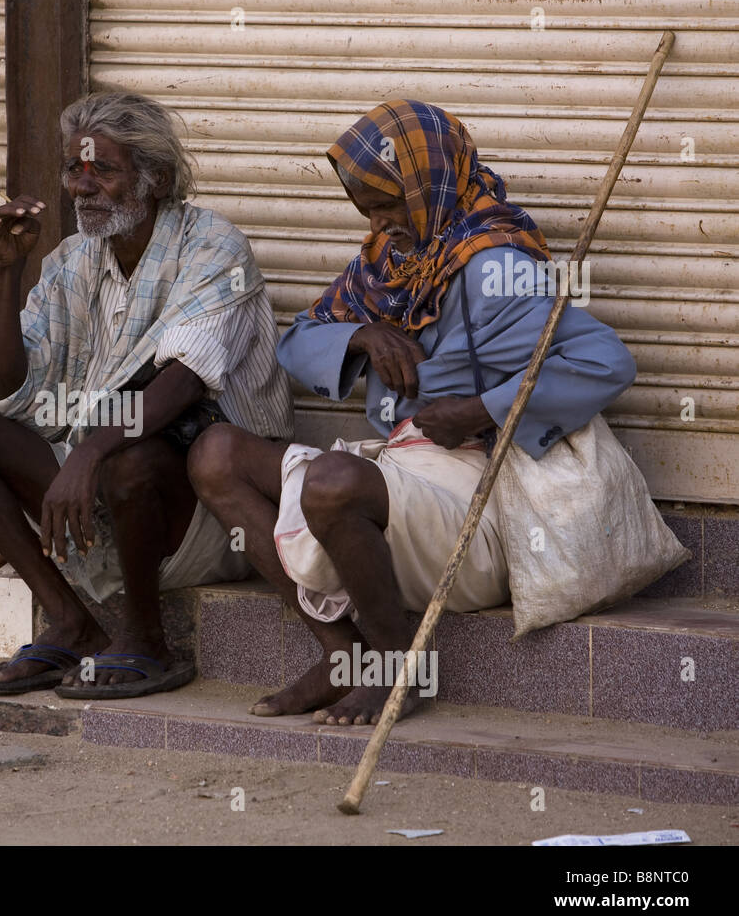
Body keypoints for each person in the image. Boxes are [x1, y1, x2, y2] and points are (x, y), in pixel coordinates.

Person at [188, 99, 636, 725]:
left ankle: (400, 668)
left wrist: (479, 410)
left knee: (333, 483)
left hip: (482, 505)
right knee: (216, 455)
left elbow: (605, 360)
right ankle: (340, 654)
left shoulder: (493, 268)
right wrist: (361, 337)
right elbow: (300, 339)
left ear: (430, 186)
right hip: (404, 471)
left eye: (389, 205)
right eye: (367, 209)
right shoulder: (388, 264)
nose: (378, 223)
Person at [0, 91, 293, 699]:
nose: (83, 186)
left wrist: (89, 454)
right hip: (98, 498)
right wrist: (8, 273)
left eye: (105, 170)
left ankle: (147, 640)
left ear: (156, 180)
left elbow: (184, 379)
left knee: (131, 453)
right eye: (76, 168)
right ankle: (72, 623)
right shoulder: (72, 260)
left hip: (206, 512)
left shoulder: (213, 246)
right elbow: (8, 391)